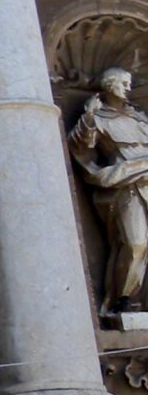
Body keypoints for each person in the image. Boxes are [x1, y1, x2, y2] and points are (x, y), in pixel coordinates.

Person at [70, 67, 148, 316]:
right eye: (123, 83)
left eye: (130, 83)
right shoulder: (98, 118)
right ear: (109, 85)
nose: (128, 88)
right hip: (128, 185)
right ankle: (123, 299)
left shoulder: (139, 118)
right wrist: (90, 116)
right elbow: (80, 147)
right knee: (136, 243)